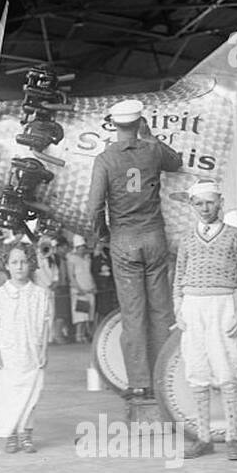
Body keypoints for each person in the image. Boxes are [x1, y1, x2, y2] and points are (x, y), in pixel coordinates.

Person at [87, 98, 183, 411]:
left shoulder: (105, 159)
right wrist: (151, 136)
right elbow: (177, 161)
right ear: (139, 122)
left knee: (133, 314)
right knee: (161, 311)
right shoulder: (153, 151)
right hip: (155, 236)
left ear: (113, 124)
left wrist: (103, 235)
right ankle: (163, 377)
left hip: (124, 240)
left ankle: (140, 385)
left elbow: (93, 208)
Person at [172, 180, 237, 460]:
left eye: (210, 202)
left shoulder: (234, 236)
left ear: (220, 201)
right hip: (192, 307)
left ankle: (233, 436)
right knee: (196, 369)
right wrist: (178, 308)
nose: (205, 208)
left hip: (221, 305)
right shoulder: (186, 238)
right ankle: (203, 437)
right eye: (198, 203)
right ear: (191, 205)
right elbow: (179, 275)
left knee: (227, 368)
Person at [0, 241, 52, 454]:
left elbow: (45, 323)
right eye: (14, 262)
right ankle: (11, 434)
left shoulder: (40, 293)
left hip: (32, 352)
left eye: (24, 261)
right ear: (6, 265)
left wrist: (44, 351)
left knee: (32, 395)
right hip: (9, 353)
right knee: (9, 395)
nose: (19, 266)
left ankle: (27, 434)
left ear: (31, 263)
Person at [66, 234, 97, 343]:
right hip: (78, 290)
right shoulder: (71, 258)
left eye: (84, 247)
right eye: (81, 247)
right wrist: (79, 289)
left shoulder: (87, 258)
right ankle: (78, 335)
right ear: (76, 247)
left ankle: (85, 334)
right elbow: (71, 276)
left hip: (89, 288)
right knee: (80, 315)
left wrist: (93, 285)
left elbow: (89, 273)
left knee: (88, 314)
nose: (83, 249)